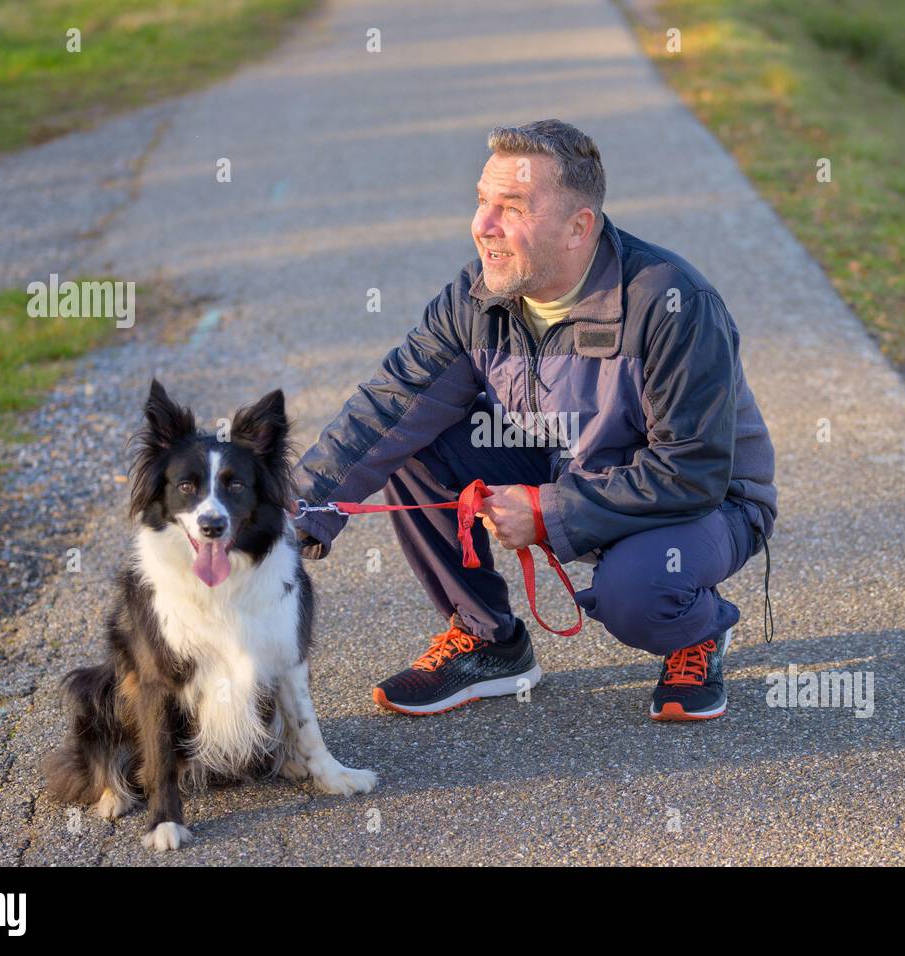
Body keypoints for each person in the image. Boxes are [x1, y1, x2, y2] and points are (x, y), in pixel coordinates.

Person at [293, 119, 776, 721]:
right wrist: (291, 512)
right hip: (565, 460)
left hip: (708, 504)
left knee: (638, 592)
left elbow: (693, 471)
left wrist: (550, 510)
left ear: (580, 227)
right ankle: (489, 641)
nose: (483, 226)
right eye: (481, 202)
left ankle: (697, 632)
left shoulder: (671, 303)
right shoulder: (478, 297)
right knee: (410, 440)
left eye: (512, 208)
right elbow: (391, 406)